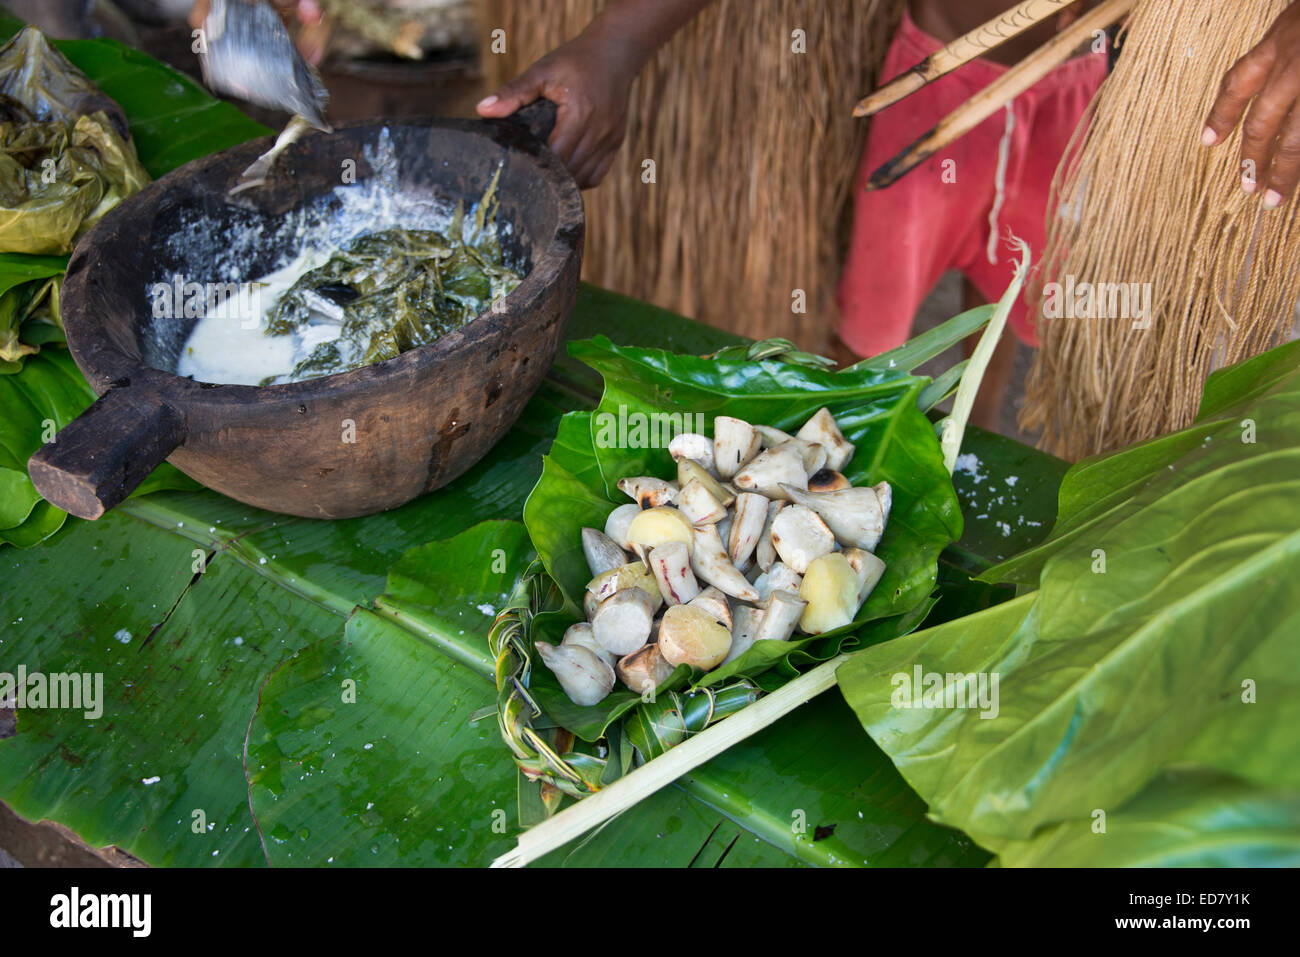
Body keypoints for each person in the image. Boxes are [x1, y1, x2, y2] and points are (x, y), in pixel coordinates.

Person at [478, 0, 1300, 430]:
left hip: (1077, 91)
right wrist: (618, 43)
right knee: (871, 330)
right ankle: (841, 459)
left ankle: (963, 445)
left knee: (1007, 306)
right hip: (933, 83)